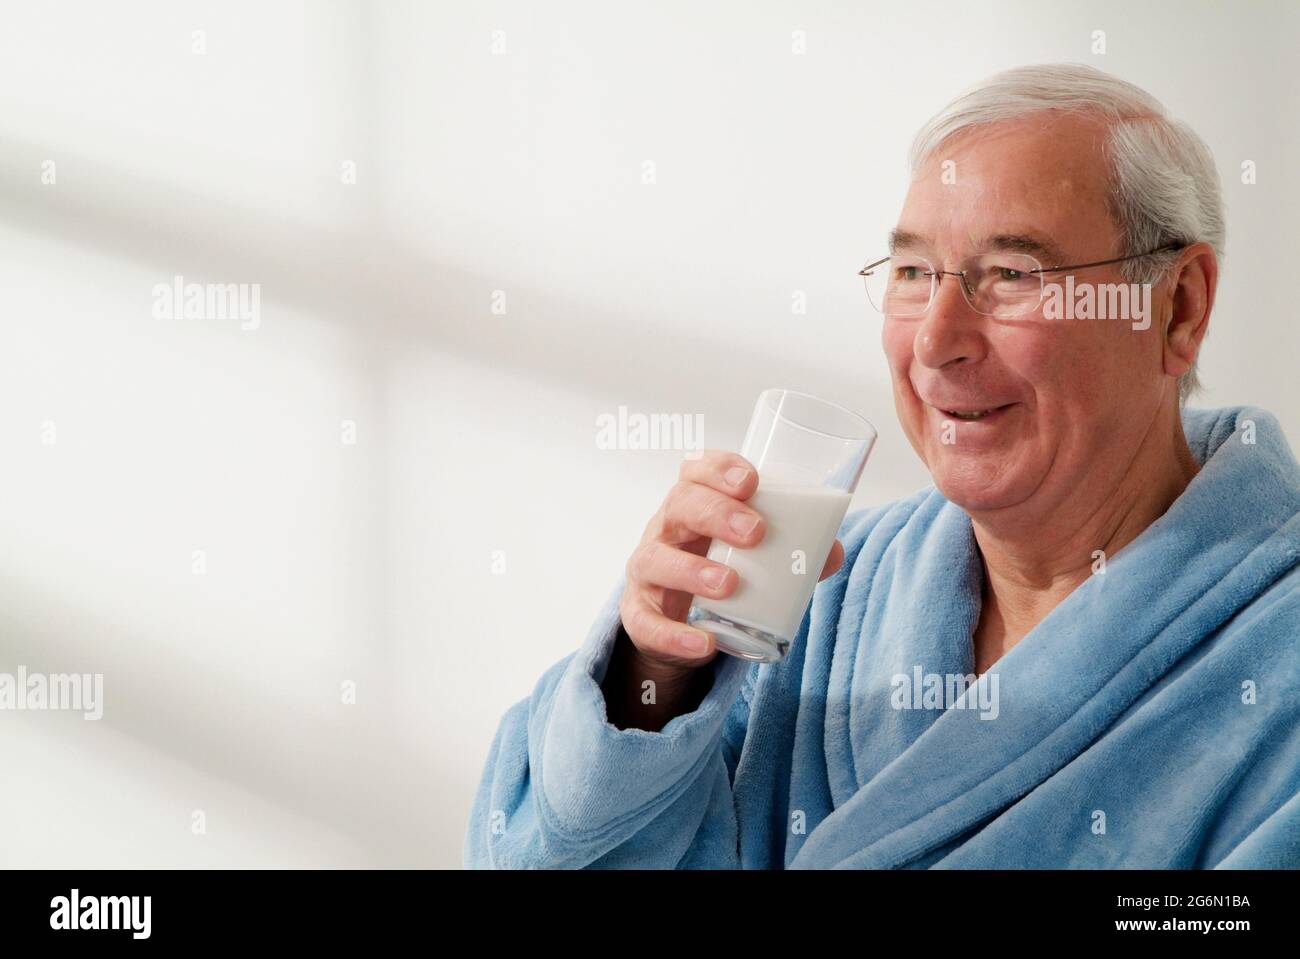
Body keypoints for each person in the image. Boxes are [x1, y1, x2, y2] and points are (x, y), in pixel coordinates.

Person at [464, 63, 1300, 868]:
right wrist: (653, 679)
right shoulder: (819, 595)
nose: (934, 342)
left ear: (1178, 308)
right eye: (911, 273)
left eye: (1011, 274)